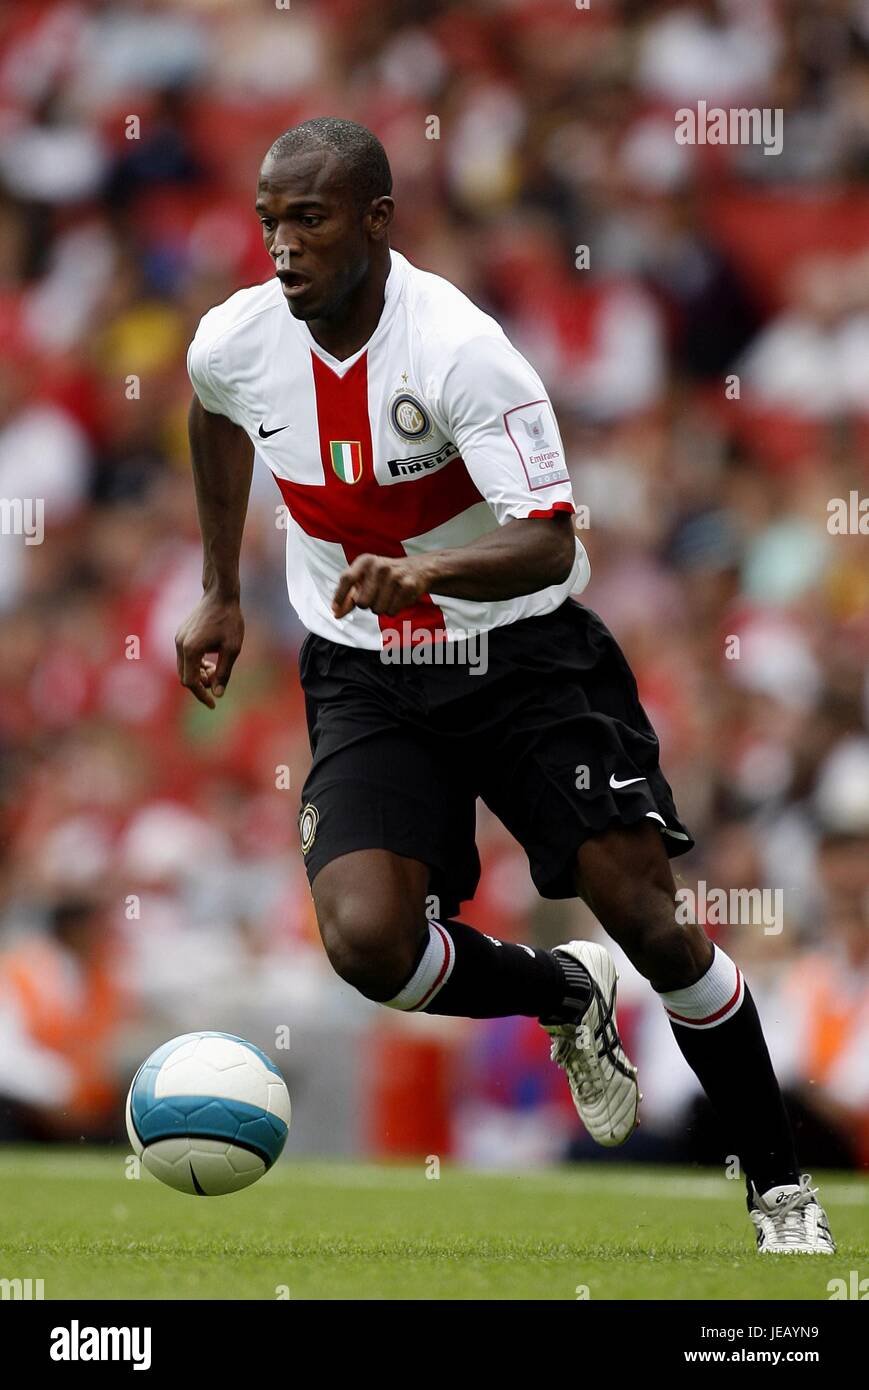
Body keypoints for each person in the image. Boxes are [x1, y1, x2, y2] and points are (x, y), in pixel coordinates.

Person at [175, 117, 834, 1254]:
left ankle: (779, 1191)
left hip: (522, 658)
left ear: (377, 221)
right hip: (367, 672)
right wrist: (219, 588)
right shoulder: (235, 340)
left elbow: (545, 541)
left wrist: (423, 567)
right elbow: (212, 417)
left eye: (310, 219)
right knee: (368, 943)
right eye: (269, 222)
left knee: (650, 923)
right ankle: (557, 994)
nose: (282, 246)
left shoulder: (462, 352)